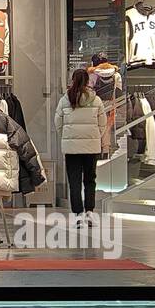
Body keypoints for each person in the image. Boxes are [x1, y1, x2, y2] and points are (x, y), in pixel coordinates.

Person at [54, 68, 105, 225]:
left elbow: (58, 122)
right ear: (87, 81)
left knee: (74, 180)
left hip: (71, 148)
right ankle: (89, 211)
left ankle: (77, 214)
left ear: (73, 80)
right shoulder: (96, 100)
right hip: (91, 147)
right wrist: (95, 136)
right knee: (90, 179)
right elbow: (102, 124)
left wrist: (67, 136)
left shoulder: (65, 99)